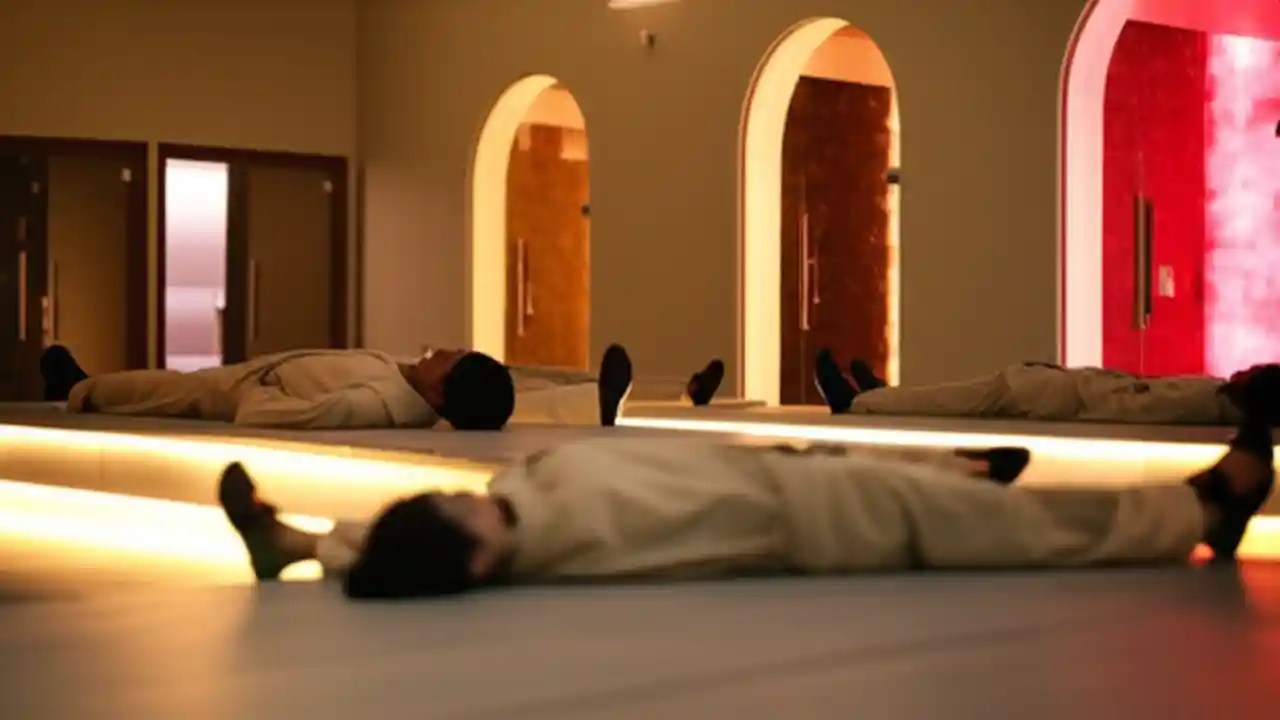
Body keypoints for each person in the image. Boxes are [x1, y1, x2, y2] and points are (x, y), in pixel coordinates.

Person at [216, 413, 1272, 600]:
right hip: (826, 515)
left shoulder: (508, 514)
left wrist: (326, 543)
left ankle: (301, 548)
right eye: (460, 512)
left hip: (790, 481)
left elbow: (424, 542)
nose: (460, 494)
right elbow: (746, 490)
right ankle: (1198, 510)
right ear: (481, 559)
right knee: (1037, 533)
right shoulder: (563, 542)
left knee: (387, 542)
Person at [44, 341, 726, 432]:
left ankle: (83, 390)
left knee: (165, 388)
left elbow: (259, 414)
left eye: (449, 359)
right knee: (530, 384)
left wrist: (268, 385)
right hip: (278, 369)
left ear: (440, 392)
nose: (447, 348)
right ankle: (618, 398)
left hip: (248, 381)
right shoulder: (410, 386)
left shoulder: (378, 402)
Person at [812, 349, 1280, 426]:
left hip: (1059, 395)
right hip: (1064, 390)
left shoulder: (1207, 401)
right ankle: (878, 398)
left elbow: (1120, 399)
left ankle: (861, 403)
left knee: (966, 399)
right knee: (961, 398)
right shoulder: (1212, 399)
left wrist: (1054, 377)